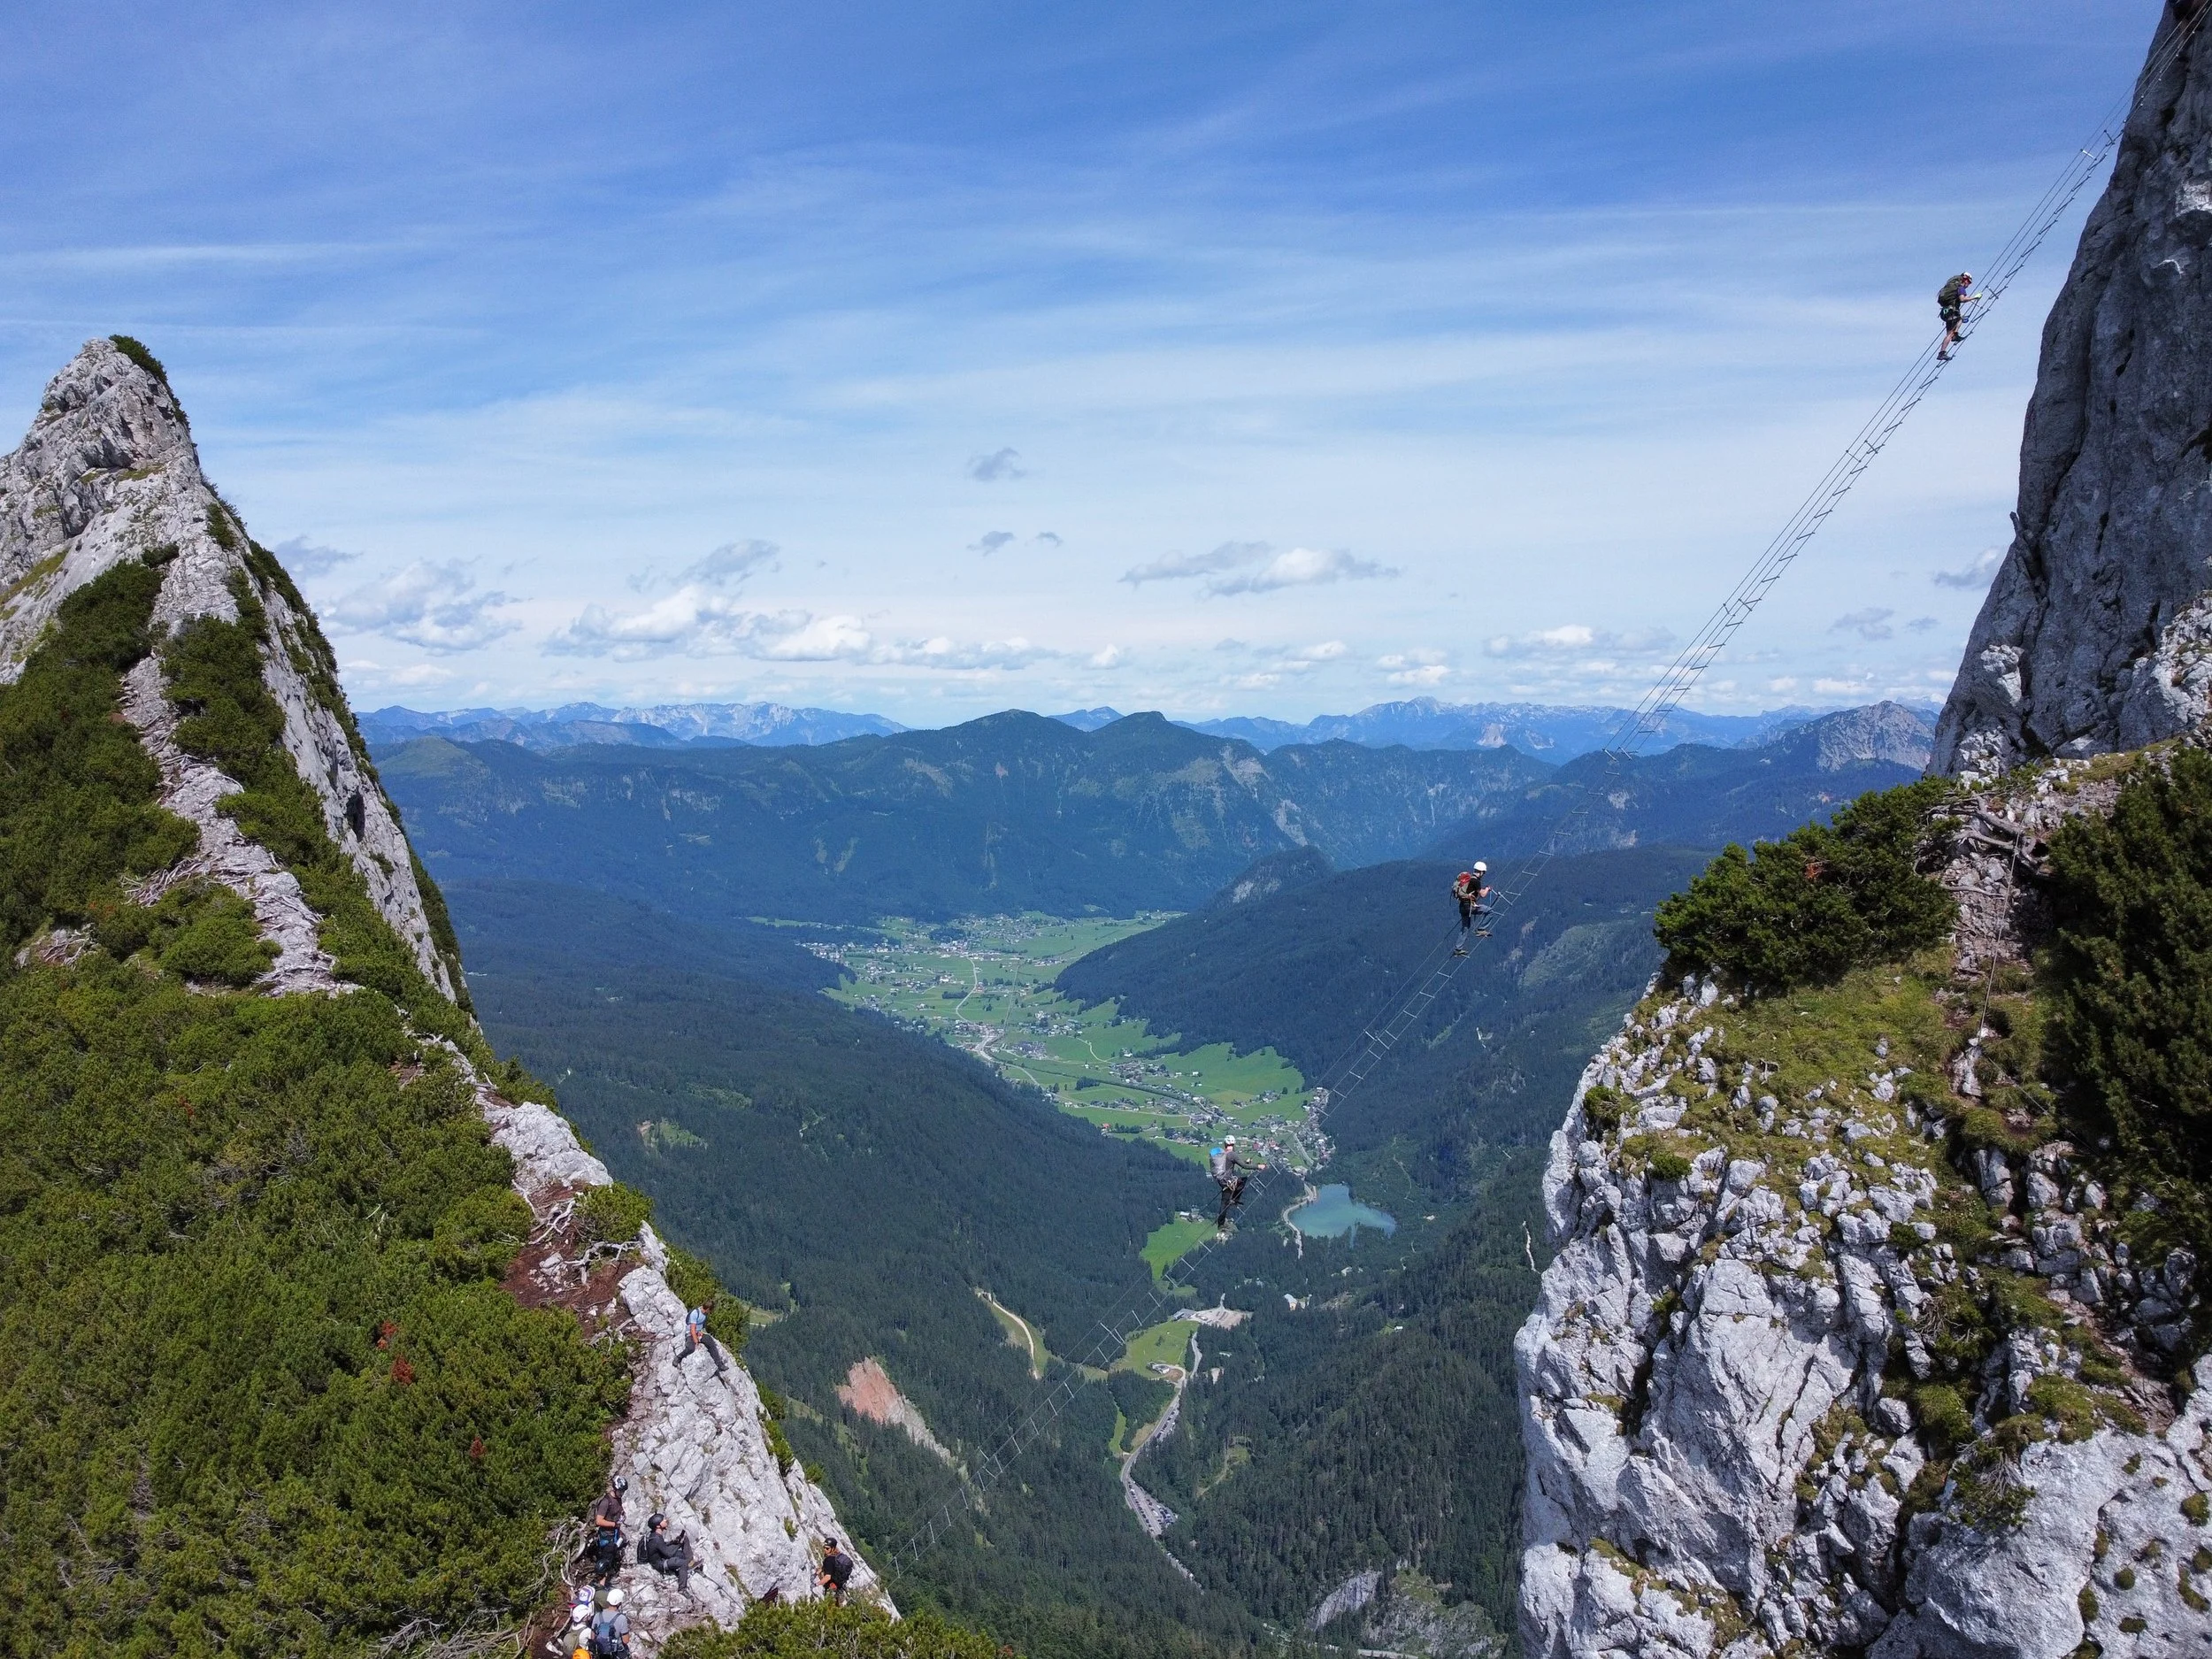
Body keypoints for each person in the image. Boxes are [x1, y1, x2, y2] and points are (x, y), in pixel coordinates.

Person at [1209, 1137, 1261, 1231]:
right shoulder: (1232, 1154)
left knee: (1224, 1202)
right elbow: (1244, 1166)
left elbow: (1230, 1165)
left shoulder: (1224, 1154)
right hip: (1228, 1182)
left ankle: (1232, 1203)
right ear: (1234, 1144)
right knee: (1225, 1202)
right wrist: (1258, 1166)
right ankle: (1222, 1221)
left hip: (1222, 1180)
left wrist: (1245, 1162)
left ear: (1225, 1144)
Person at [640, 1511, 695, 1595]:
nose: (666, 1520)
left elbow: (662, 1546)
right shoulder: (656, 1539)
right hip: (660, 1564)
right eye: (663, 1520)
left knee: (681, 1554)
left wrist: (673, 1542)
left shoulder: (655, 1534)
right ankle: (682, 1589)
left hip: (661, 1556)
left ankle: (689, 1563)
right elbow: (668, 1554)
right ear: (658, 1526)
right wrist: (679, 1543)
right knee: (683, 1563)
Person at [588, 1477, 628, 1587]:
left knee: (613, 1553)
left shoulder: (618, 1499)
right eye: (620, 1491)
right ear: (615, 1489)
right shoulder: (606, 1502)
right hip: (606, 1536)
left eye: (623, 1491)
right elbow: (599, 1521)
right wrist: (614, 1525)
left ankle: (609, 1576)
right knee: (606, 1558)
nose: (622, 1493)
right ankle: (601, 1582)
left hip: (614, 1533)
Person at [1937, 272, 1982, 361]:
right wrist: (1975, 297)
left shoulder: (1952, 287)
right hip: (1952, 312)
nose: (1968, 285)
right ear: (1965, 280)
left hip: (1946, 312)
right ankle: (1942, 353)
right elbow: (1962, 299)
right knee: (1949, 334)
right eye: (1968, 282)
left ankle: (1955, 335)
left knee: (1960, 319)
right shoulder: (1960, 288)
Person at [683, 1302, 729, 1380]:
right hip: (691, 1334)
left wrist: (702, 1333)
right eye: (710, 1311)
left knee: (711, 1342)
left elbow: (701, 1326)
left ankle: (719, 1365)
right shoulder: (695, 1313)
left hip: (699, 1333)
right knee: (691, 1348)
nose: (710, 1313)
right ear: (707, 1309)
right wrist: (696, 1341)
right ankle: (679, 1357)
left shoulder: (704, 1314)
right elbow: (692, 1329)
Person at [1452, 864, 1492, 953]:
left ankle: (1458, 949)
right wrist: (1487, 889)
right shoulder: (1475, 881)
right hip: (1470, 907)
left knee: (1465, 927)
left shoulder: (1469, 880)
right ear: (1481, 872)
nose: (1483, 874)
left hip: (1462, 906)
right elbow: (1483, 894)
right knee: (1489, 910)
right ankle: (1481, 929)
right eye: (1483, 873)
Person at [586, 1588, 631, 1658]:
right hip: (616, 1653)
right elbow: (626, 1641)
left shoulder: (598, 1615)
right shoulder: (622, 1618)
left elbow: (593, 1637)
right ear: (619, 1603)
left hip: (601, 1652)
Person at [818, 1537, 856, 1605]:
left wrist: (816, 1584)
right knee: (835, 1603)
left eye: (827, 1548)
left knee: (828, 1605)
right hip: (839, 1584)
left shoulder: (830, 1559)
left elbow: (827, 1577)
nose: (824, 1550)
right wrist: (819, 1571)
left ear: (833, 1548)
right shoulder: (837, 1556)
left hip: (831, 1585)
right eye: (824, 1547)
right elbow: (828, 1567)